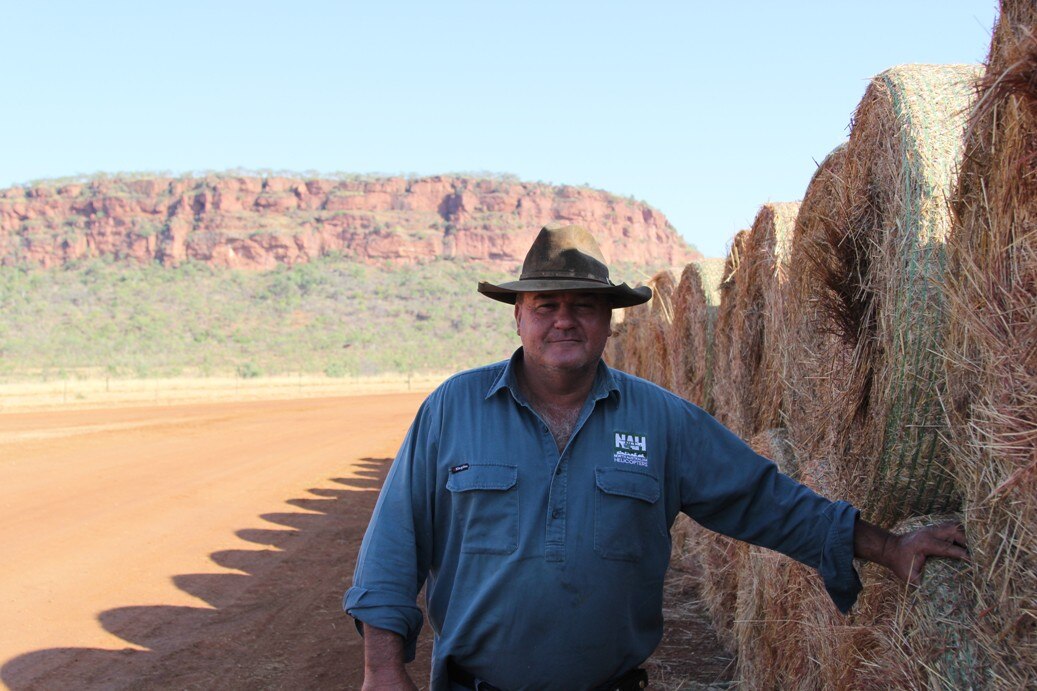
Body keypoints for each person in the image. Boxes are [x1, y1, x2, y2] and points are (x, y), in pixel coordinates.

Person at [344, 225, 968, 691]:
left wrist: (890, 548)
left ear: (609, 321)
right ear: (518, 317)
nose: (565, 321)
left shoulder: (660, 419)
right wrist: (380, 666)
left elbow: (763, 499)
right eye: (547, 306)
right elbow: (396, 539)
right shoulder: (454, 408)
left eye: (583, 307)